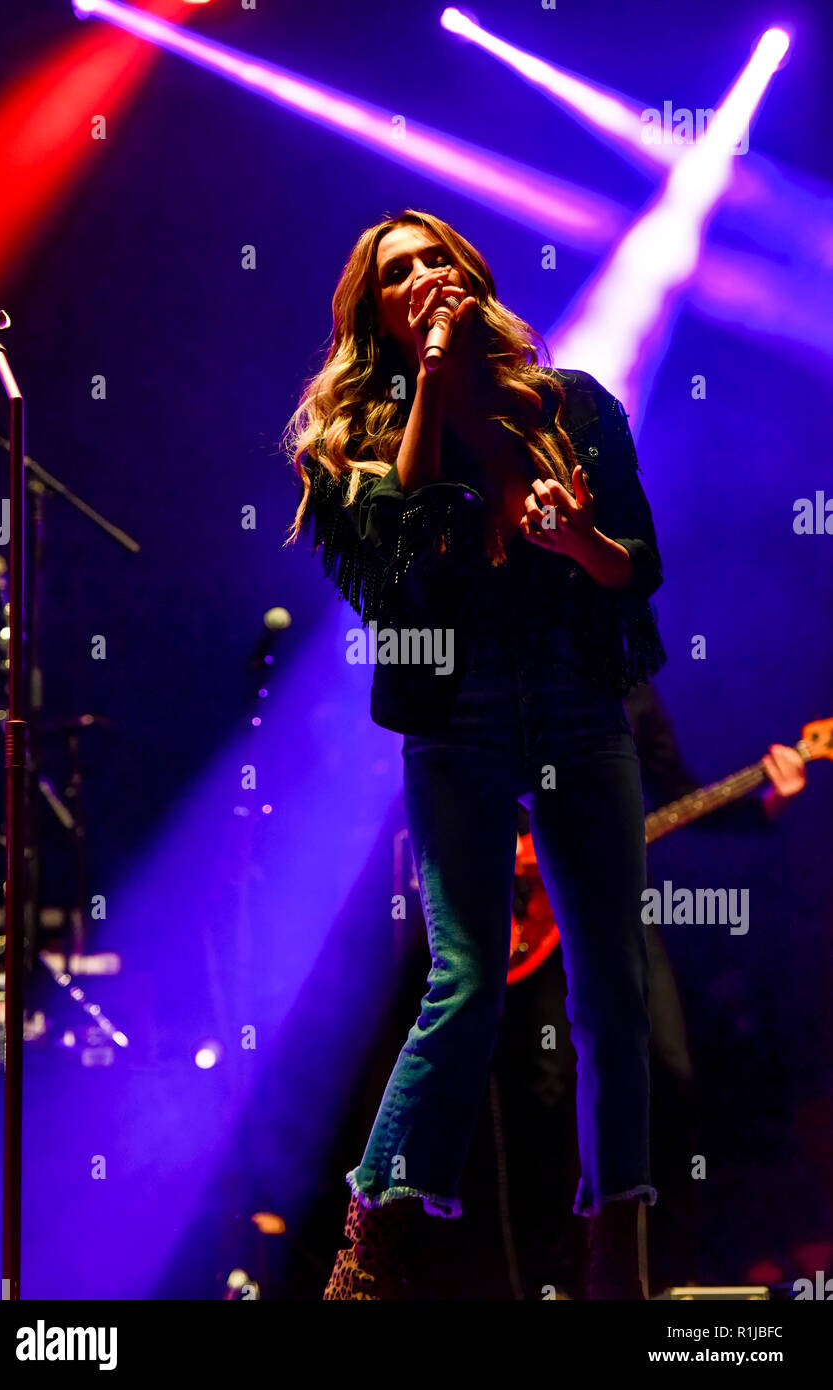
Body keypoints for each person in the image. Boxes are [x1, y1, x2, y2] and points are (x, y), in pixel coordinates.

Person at [283, 208, 667, 1300]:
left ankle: (619, 1264)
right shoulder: (350, 438)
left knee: (614, 992)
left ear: (471, 271)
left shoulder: (573, 407)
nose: (423, 280)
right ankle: (375, 1249)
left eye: (435, 260)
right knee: (466, 979)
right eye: (397, 273)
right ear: (378, 311)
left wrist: (574, 538)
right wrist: (437, 380)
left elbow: (636, 568)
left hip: (578, 698)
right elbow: (404, 555)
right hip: (458, 709)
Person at [497, 682, 808, 1298]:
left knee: (671, 1072)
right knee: (551, 1093)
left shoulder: (629, 685)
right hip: (539, 911)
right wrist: (498, 840)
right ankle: (554, 1281)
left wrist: (767, 801)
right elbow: (459, 769)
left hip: (619, 906)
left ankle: (668, 1277)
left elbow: (680, 792)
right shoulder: (514, 665)